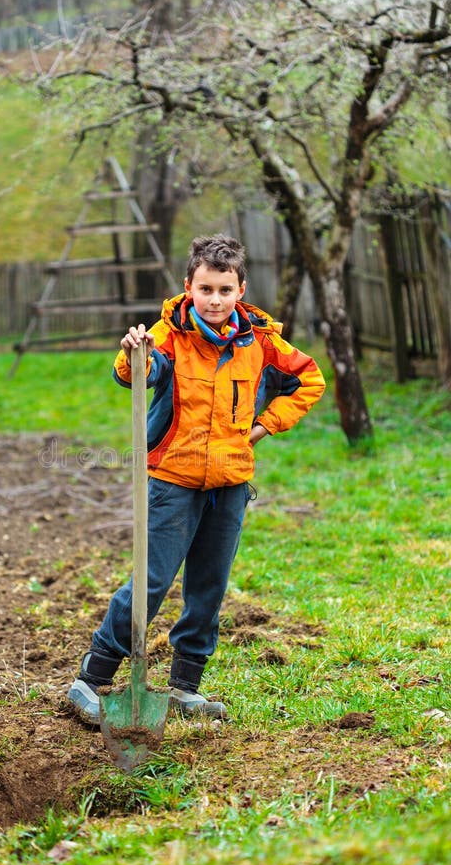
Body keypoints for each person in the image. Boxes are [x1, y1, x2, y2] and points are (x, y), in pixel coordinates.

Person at [67, 233, 325, 725]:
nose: (215, 300)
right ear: (188, 287)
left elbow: (309, 380)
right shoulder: (167, 336)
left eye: (225, 291)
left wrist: (263, 426)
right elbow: (132, 374)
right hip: (172, 479)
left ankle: (185, 687)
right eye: (205, 289)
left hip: (229, 483)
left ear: (240, 290)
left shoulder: (261, 342)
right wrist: (133, 351)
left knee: (208, 585)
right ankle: (92, 678)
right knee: (152, 580)